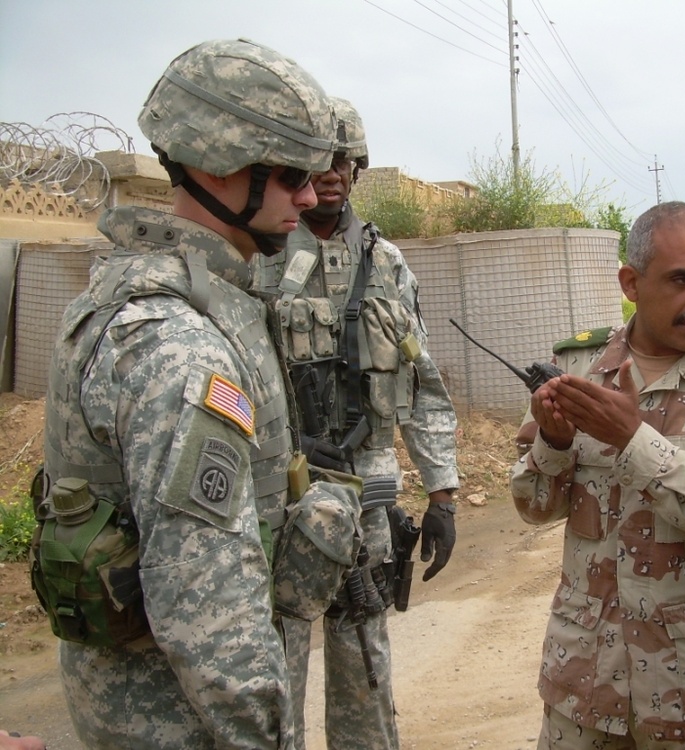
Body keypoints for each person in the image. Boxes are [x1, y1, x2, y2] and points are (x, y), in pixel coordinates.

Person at [38, 39, 358, 749]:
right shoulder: (179, 347)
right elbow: (210, 616)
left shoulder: (144, 290)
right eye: (292, 173)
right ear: (219, 163)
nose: (309, 196)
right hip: (187, 723)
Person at [510, 201, 685, 749]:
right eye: (682, 280)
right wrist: (556, 440)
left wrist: (634, 440)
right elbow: (533, 507)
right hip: (584, 683)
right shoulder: (578, 367)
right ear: (631, 282)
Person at [255, 96, 460, 750]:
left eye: (345, 159)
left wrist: (444, 493)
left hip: (368, 482)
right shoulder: (258, 258)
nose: (334, 172)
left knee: (363, 638)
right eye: (319, 159)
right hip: (278, 485)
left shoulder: (387, 262)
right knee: (274, 643)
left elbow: (422, 380)